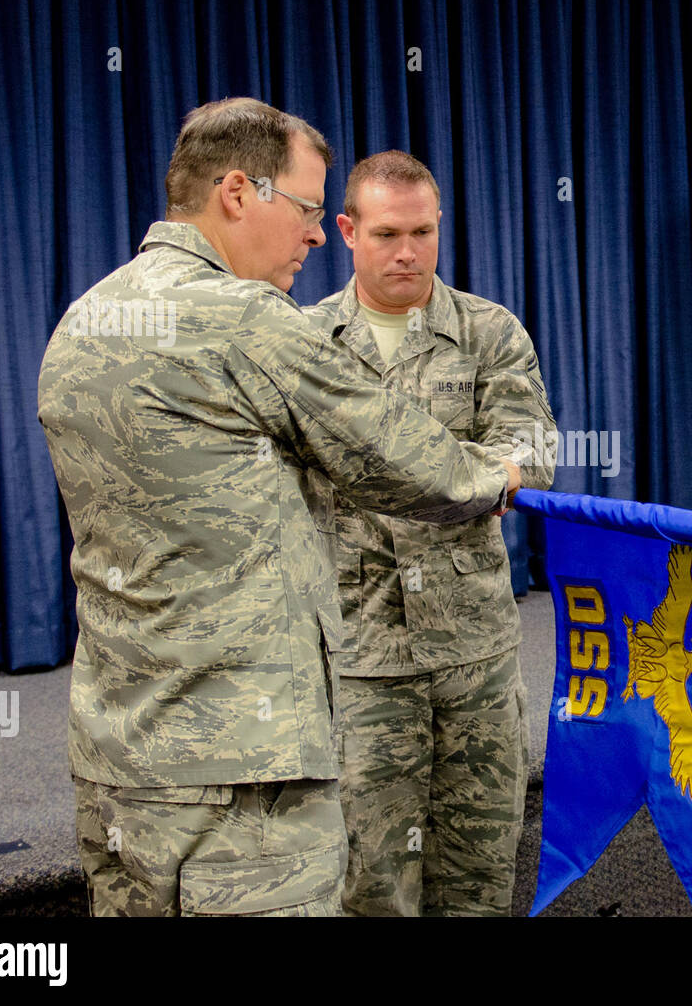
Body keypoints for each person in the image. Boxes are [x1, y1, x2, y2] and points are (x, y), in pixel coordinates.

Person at [36, 100, 521, 917]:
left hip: (119, 764)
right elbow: (406, 462)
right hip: (245, 779)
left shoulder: (85, 320)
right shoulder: (244, 319)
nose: (312, 235)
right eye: (303, 208)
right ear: (236, 192)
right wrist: (497, 473)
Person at [303, 151, 557, 916]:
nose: (407, 251)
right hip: (361, 659)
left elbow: (534, 448)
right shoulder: (304, 342)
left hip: (472, 652)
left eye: (422, 231)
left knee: (479, 870)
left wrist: (498, 469)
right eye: (385, 234)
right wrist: (466, 476)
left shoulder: (486, 333)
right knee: (372, 880)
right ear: (346, 230)